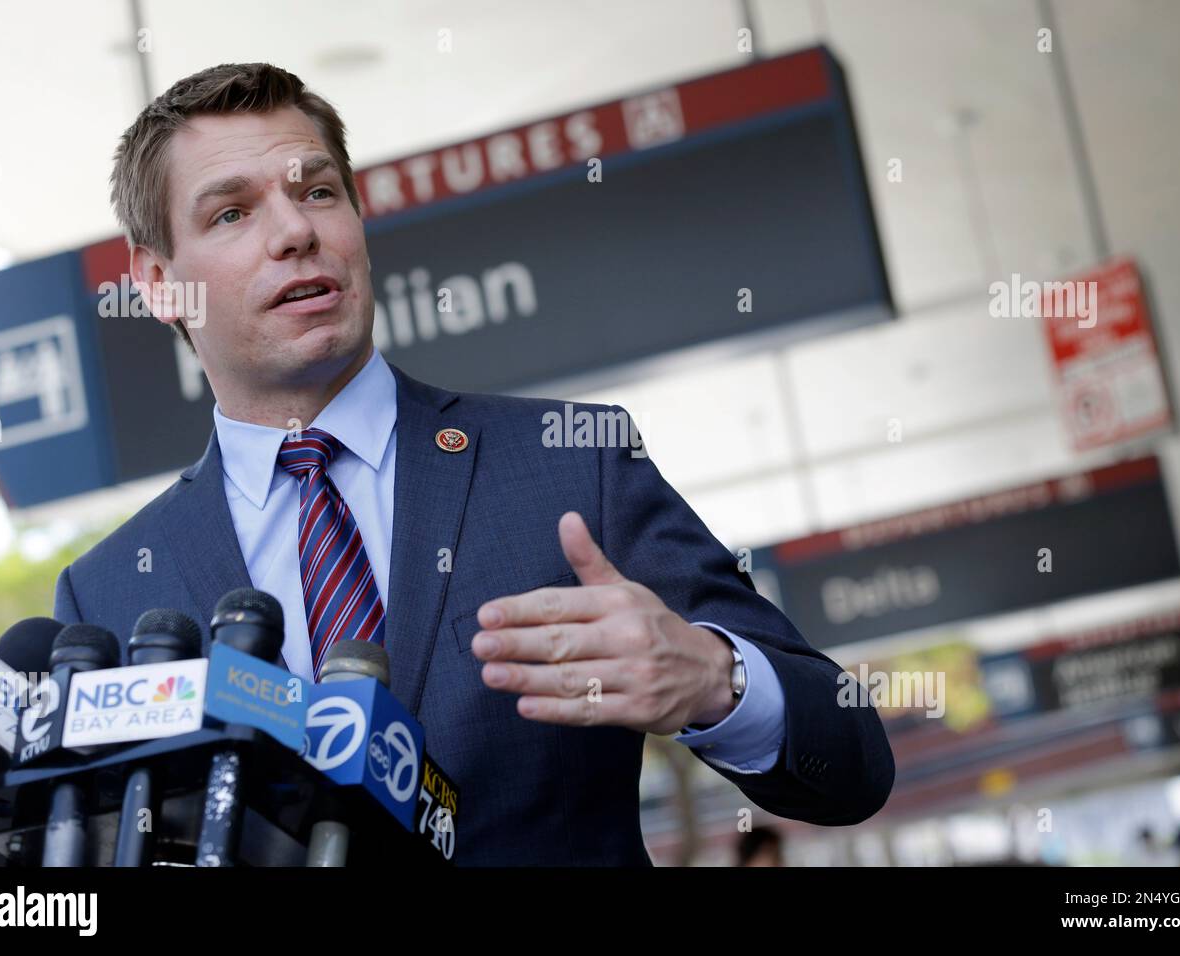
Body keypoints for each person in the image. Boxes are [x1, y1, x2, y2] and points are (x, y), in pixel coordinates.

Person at [53, 63, 894, 865]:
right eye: (231, 213)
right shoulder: (112, 595)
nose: (296, 230)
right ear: (160, 282)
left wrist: (715, 680)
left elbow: (851, 757)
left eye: (317, 191)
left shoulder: (571, 466)